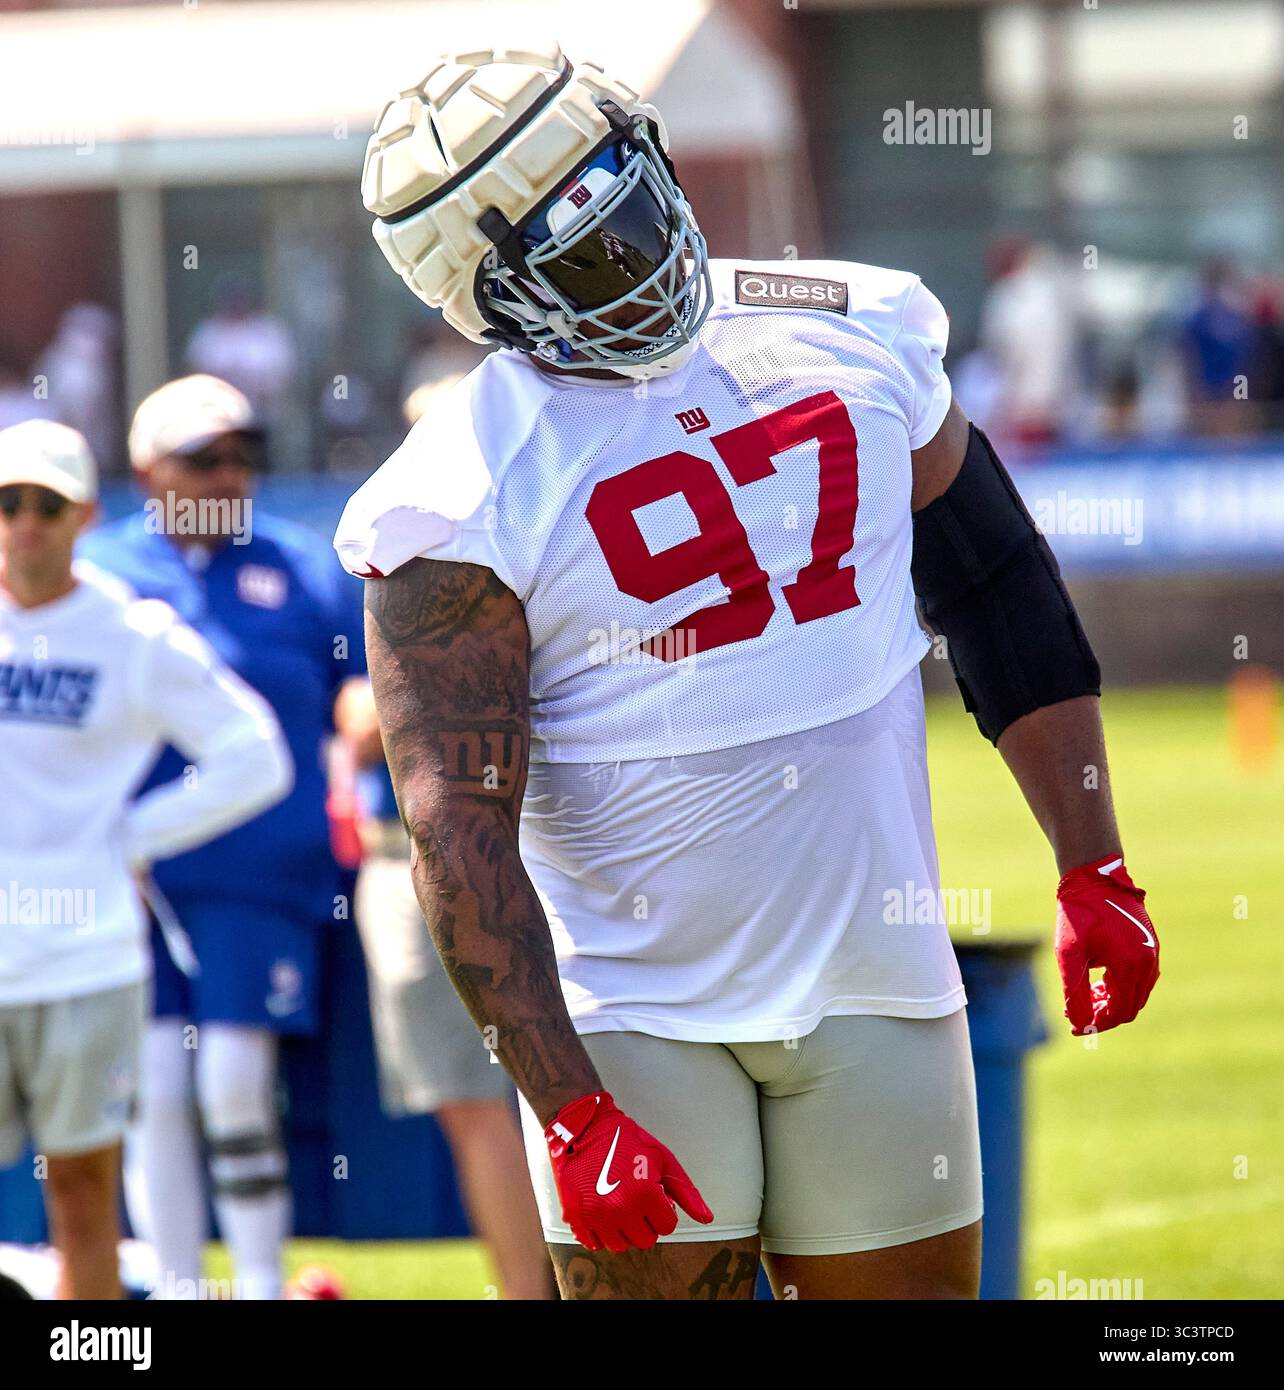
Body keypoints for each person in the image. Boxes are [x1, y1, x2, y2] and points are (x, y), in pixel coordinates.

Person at [335, 42, 1161, 1301]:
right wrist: (566, 1107)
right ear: (488, 299)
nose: (635, 259)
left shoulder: (859, 320)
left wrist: (1093, 858)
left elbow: (997, 586)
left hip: (872, 974)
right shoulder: (453, 493)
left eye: (630, 204)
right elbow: (457, 827)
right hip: (632, 1011)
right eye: (580, 255)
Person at [80, 375, 366, 1300]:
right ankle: (172, 1289)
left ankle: (256, 1283)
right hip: (130, 869)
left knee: (235, 1082)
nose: (229, 474)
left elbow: (355, 690)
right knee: (154, 1085)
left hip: (261, 866)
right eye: (205, 458)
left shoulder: (303, 565)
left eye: (243, 455)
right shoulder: (105, 570)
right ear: (148, 469)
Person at [0, 419, 292, 1299]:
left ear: (85, 514)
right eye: (6, 503)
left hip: (87, 959)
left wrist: (133, 836)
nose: (24, 523)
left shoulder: (134, 634)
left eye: (45, 505)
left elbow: (256, 756)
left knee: (84, 1201)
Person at [334, 673, 554, 1299]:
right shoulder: (350, 579)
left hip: (516, 841)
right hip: (409, 854)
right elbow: (358, 727)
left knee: (587, 1075)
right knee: (469, 1098)